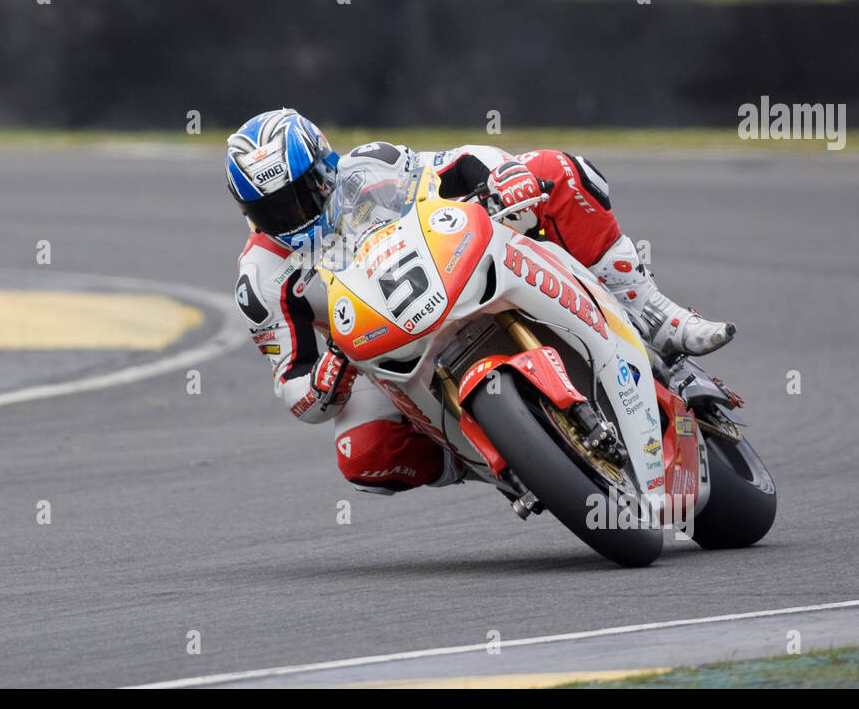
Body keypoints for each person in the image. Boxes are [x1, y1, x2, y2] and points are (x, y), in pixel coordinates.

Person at [227, 108, 733, 496]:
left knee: (555, 169)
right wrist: (324, 382)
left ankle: (652, 312)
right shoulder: (260, 278)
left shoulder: (371, 163)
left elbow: (462, 163)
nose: (292, 216)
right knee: (361, 456)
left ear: (325, 167)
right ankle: (485, 457)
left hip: (449, 265)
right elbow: (294, 389)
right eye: (272, 209)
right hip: (376, 345)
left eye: (300, 196)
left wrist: (505, 177)